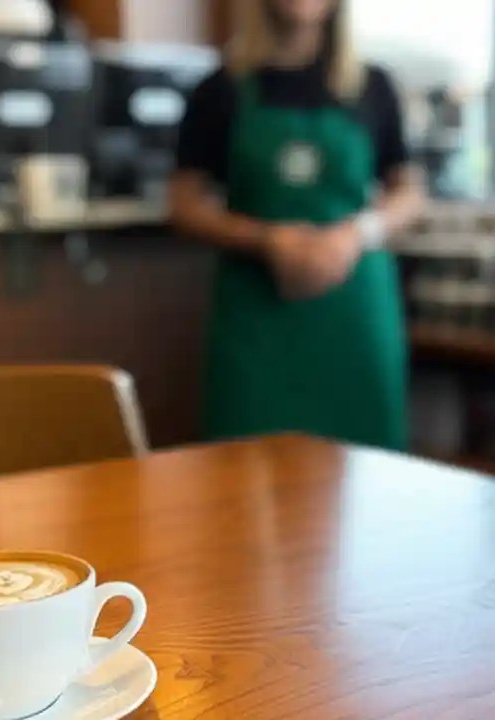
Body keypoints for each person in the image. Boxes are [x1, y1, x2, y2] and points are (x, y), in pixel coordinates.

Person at [169, 0, 425, 451]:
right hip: (256, 321)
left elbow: (408, 193)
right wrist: (268, 238)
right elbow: (184, 203)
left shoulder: (371, 86)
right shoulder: (222, 88)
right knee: (243, 475)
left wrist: (354, 234)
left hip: (353, 316)